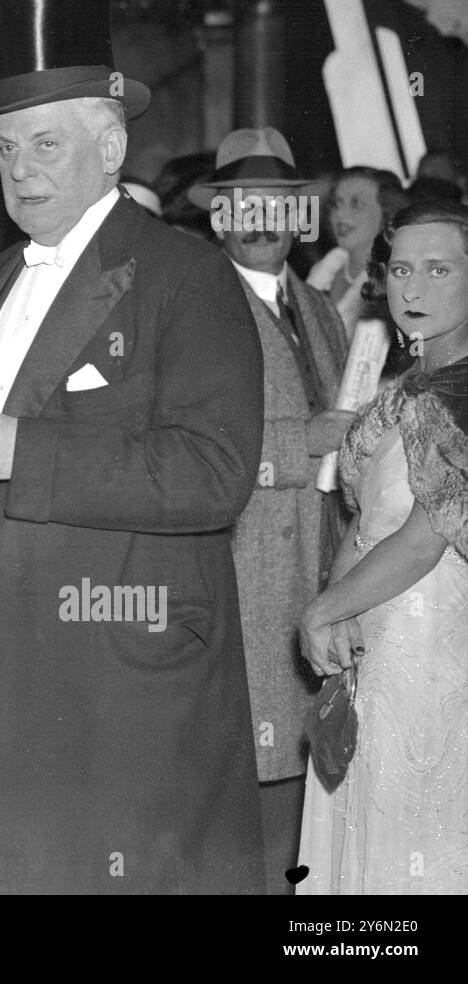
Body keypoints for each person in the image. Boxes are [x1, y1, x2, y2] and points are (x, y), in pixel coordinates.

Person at [0, 0, 266, 894]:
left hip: (118, 674)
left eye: (46, 144)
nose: (20, 169)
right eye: (5, 147)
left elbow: (216, 472)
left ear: (111, 147)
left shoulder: (183, 275)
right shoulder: (2, 276)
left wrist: (18, 452)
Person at [191, 128, 350, 894]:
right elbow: (187, 447)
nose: (261, 219)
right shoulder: (196, 305)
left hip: (315, 567)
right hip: (240, 570)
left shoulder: (319, 308)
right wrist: (303, 444)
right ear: (218, 217)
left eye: (278, 204)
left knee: (306, 770)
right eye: (241, 205)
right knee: (240, 776)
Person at [297, 200, 468, 894]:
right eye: (401, 269)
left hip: (435, 645)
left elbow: (425, 538)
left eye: (438, 269)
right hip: (377, 632)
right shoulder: (410, 382)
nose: (414, 289)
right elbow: (367, 519)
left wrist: (320, 612)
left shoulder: (458, 392)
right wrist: (335, 612)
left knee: (417, 834)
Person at [307, 166, 408, 338]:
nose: (340, 214)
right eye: (336, 204)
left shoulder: (401, 282)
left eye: (356, 204)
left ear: (387, 214)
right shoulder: (321, 273)